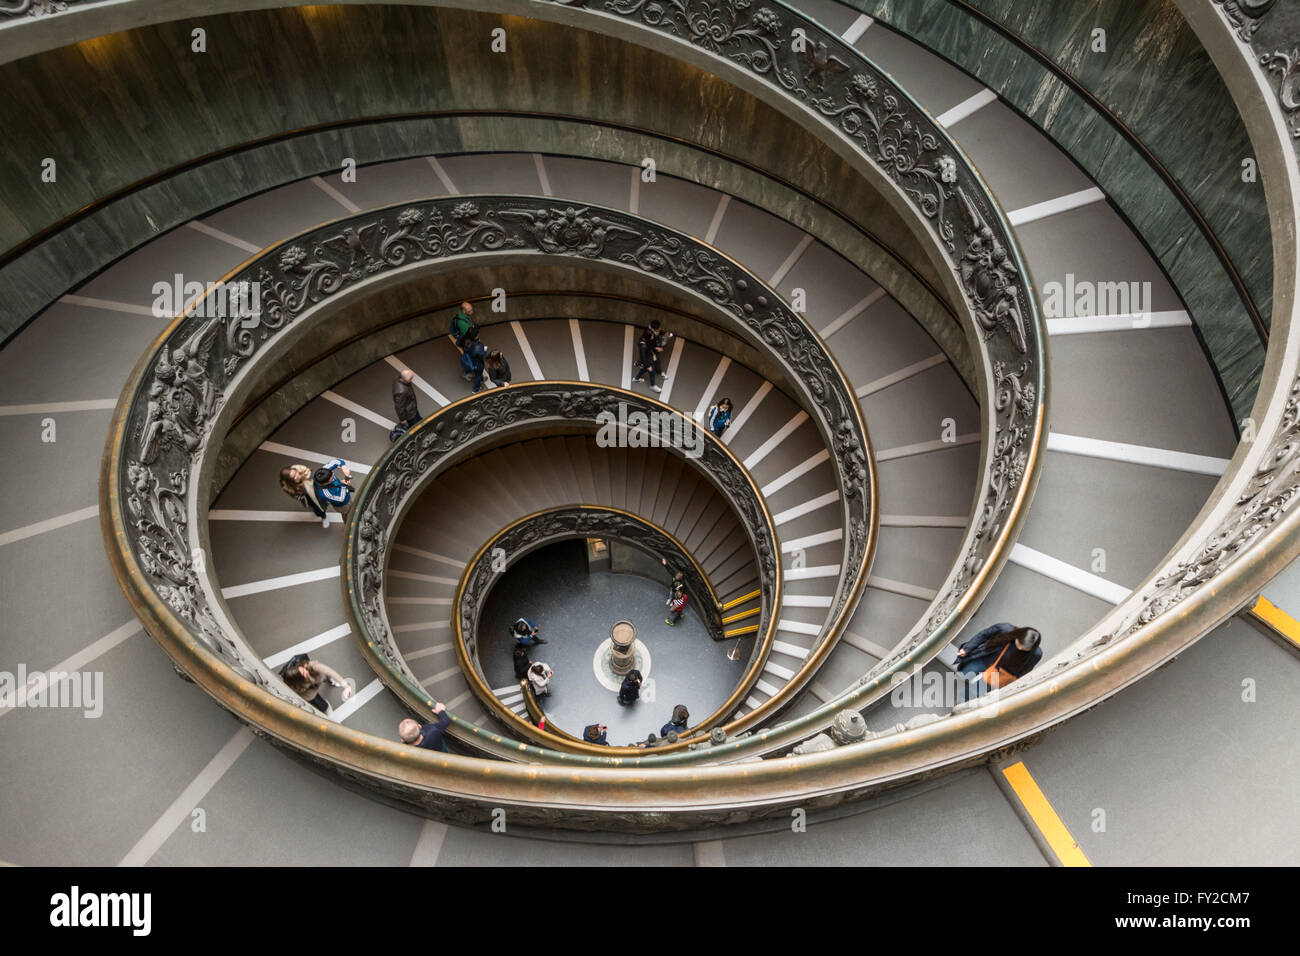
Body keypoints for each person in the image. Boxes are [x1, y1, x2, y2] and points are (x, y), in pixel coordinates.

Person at [955, 624, 1042, 702]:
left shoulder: (1036, 654)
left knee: (974, 692)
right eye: (1019, 644)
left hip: (999, 673)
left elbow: (1026, 669)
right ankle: (960, 686)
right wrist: (967, 648)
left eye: (1024, 649)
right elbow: (983, 635)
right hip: (984, 659)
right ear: (1017, 636)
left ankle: (961, 702)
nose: (1019, 648)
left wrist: (1013, 680)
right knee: (964, 674)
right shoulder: (1005, 629)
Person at [280, 654, 352, 714]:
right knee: (322, 705)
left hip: (319, 678)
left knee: (325, 676)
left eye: (303, 669)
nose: (306, 671)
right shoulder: (299, 688)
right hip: (311, 690)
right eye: (303, 674)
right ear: (299, 679)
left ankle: (330, 680)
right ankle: (327, 710)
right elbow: (308, 697)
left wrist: (345, 686)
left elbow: (328, 671)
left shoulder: (310, 667)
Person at [632, 320, 671, 392]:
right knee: (651, 370)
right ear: (652, 330)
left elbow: (650, 344)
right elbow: (643, 356)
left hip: (649, 350)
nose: (659, 330)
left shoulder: (650, 332)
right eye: (658, 329)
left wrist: (664, 333)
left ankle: (636, 378)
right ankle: (652, 386)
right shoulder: (643, 346)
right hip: (647, 353)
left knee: (646, 368)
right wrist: (648, 366)